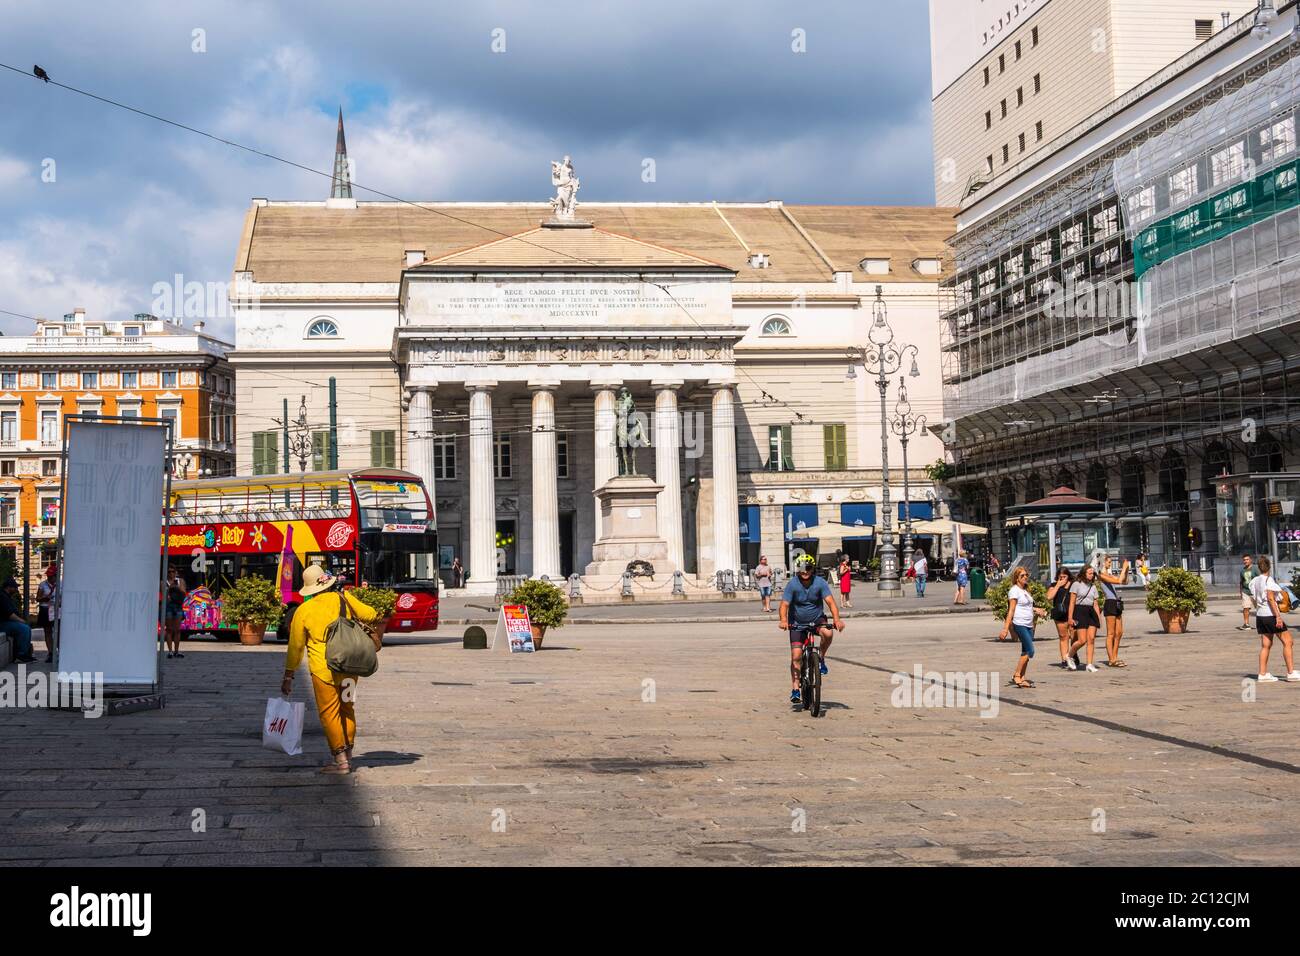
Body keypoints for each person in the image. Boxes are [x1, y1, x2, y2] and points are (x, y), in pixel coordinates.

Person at [282, 564, 379, 773]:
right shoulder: (343, 598)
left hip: (323, 671)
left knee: (330, 714)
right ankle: (349, 755)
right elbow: (371, 614)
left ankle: (340, 761)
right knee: (347, 708)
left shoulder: (303, 610)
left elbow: (295, 647)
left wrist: (289, 675)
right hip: (350, 668)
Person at [778, 553, 845, 705]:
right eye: (802, 568)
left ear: (812, 568)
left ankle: (820, 657)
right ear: (798, 569)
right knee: (796, 657)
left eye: (808, 568)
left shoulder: (820, 582)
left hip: (816, 619)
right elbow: (784, 605)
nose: (805, 571)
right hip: (797, 623)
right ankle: (795, 689)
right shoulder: (793, 584)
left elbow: (831, 603)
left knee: (828, 633)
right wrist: (783, 620)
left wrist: (837, 620)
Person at [1249, 555, 1299, 682]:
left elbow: (1253, 597)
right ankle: (1291, 672)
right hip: (1270, 615)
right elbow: (1271, 598)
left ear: (1259, 568)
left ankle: (1262, 674)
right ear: (1269, 567)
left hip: (1260, 615)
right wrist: (1278, 617)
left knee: (1266, 645)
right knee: (1288, 642)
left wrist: (1259, 608)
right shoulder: (1268, 581)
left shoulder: (1255, 581)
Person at [999, 567, 1047, 688]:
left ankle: (1022, 677)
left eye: (1026, 575)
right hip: (1020, 624)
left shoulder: (1025, 590)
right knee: (1030, 651)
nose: (1025, 577)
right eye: (1022, 576)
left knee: (1025, 651)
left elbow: (1026, 607)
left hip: (1029, 624)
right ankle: (1016, 675)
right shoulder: (1014, 591)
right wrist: (1005, 629)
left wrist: (1037, 610)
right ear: (1016, 578)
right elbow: (1012, 610)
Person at [1065, 564, 1102, 672]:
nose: (1091, 575)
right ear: (1084, 573)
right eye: (1089, 573)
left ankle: (1089, 664)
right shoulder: (1076, 584)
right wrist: (1070, 618)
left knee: (1091, 639)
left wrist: (1098, 618)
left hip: (1091, 612)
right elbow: (1072, 602)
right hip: (1080, 611)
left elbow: (1095, 603)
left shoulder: (1093, 586)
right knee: (1082, 640)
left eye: (1092, 573)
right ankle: (1069, 655)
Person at [1099, 555, 1130, 667]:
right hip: (1110, 603)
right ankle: (1111, 659)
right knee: (1111, 633)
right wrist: (1123, 569)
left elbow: (1125, 581)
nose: (1110, 564)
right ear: (1103, 563)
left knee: (1119, 632)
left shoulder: (1109, 574)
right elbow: (1119, 581)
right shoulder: (1101, 575)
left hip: (1117, 603)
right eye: (1109, 562)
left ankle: (1115, 657)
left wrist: (1126, 570)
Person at [0, 577, 34, 664]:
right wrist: (21, 621)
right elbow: (10, 614)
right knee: (24, 628)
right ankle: (21, 655)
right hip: (3, 624)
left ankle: (24, 653)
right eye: (15, 587)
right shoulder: (2, 596)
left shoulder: (7, 596)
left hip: (6, 623)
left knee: (24, 627)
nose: (16, 589)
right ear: (8, 587)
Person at [1046, 567, 1075, 667]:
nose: (1062, 579)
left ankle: (1072, 654)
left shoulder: (1073, 584)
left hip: (1073, 613)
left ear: (1068, 576)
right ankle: (1064, 659)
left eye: (1064, 577)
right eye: (1060, 577)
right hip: (1060, 613)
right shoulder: (1054, 585)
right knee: (1063, 636)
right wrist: (1058, 585)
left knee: (1074, 636)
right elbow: (1049, 597)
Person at [36, 563, 58, 663]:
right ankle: (51, 653)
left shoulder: (61, 584)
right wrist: (44, 598)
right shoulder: (42, 585)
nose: (49, 578)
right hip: (45, 609)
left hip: (57, 609)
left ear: (56, 576)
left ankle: (60, 651)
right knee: (48, 631)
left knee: (59, 632)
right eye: (48, 576)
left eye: (51, 576)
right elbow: (38, 598)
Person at [165, 568, 186, 659]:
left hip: (178, 606)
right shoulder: (164, 582)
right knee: (169, 629)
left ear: (176, 572)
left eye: (173, 571)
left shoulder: (180, 581)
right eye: (169, 572)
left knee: (177, 630)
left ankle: (176, 651)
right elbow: (165, 595)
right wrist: (170, 587)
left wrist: (176, 586)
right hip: (168, 607)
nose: (171, 573)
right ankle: (170, 651)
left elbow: (183, 592)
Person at [1238, 554, 1258, 631]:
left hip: (1255, 592)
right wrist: (1240, 592)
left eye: (1247, 559)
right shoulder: (1242, 571)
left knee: (1259, 608)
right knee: (1246, 608)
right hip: (1245, 591)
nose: (1245, 561)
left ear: (1250, 560)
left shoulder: (1255, 569)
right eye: (1244, 560)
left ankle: (1261, 623)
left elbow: (1260, 579)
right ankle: (1246, 624)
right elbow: (1241, 582)